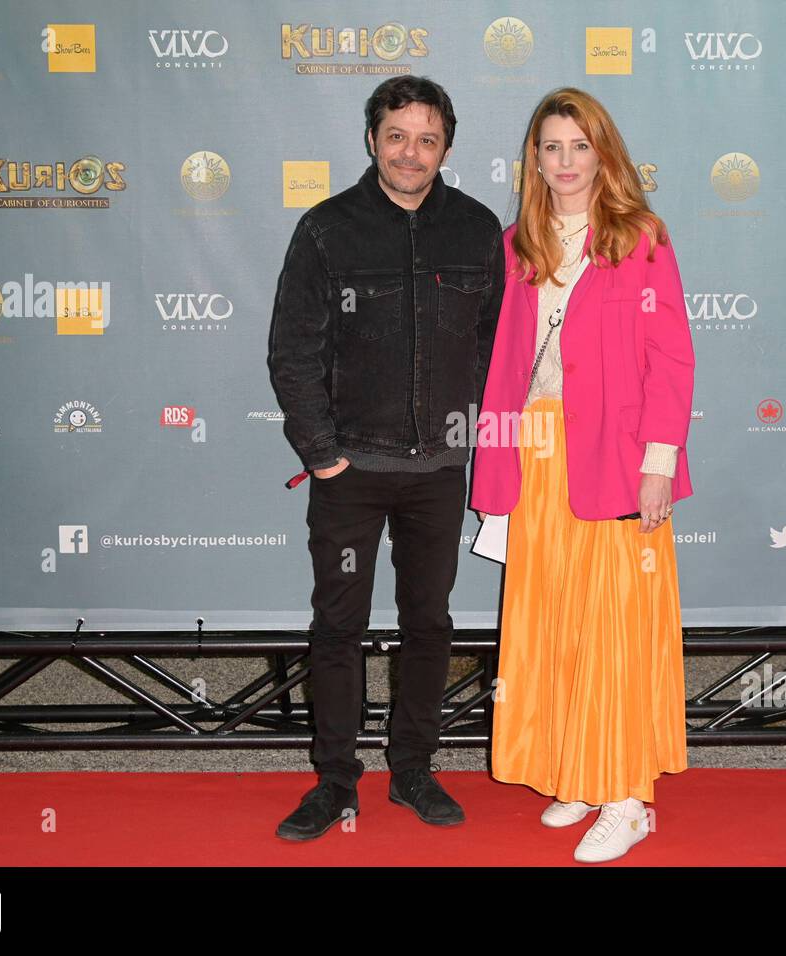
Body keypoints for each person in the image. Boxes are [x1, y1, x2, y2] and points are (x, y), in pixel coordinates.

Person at [267, 75, 504, 841]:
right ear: (372, 139)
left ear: (446, 148)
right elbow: (292, 351)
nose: (411, 151)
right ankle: (336, 779)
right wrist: (324, 454)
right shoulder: (327, 230)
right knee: (337, 625)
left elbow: (492, 347)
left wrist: (466, 437)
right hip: (352, 473)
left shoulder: (476, 229)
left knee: (427, 623)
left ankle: (413, 769)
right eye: (397, 135)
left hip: (438, 472)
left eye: (427, 138)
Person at [471, 88, 695, 863]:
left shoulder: (640, 238)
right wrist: (496, 460)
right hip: (535, 450)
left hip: (613, 456)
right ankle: (578, 769)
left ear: (604, 153)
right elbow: (505, 368)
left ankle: (626, 796)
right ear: (534, 159)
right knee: (553, 619)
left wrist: (658, 464)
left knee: (613, 626)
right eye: (551, 148)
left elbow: (670, 359)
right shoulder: (519, 243)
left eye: (579, 146)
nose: (565, 163)